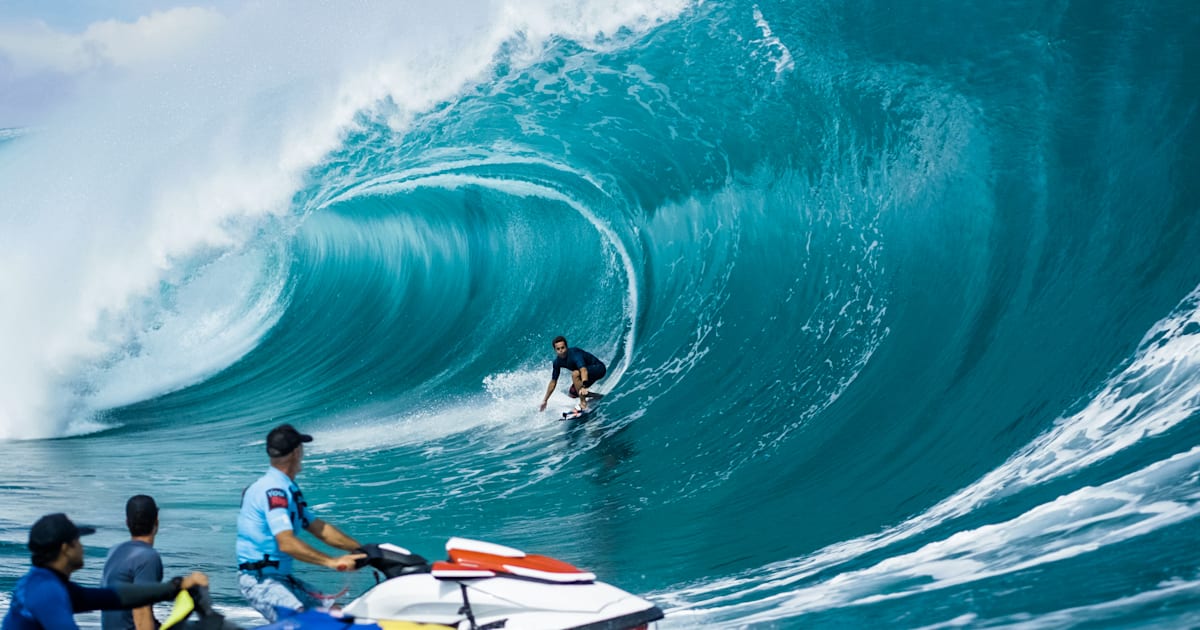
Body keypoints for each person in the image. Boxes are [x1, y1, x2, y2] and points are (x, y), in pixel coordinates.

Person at [236, 423, 366, 622]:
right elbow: (286, 543)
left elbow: (318, 528)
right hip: (262, 582)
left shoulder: (285, 487)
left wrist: (361, 549)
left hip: (282, 579)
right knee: (304, 624)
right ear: (296, 452)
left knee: (336, 616)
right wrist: (332, 562)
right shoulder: (274, 490)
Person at [2, 513, 207, 630]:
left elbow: (115, 596)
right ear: (65, 548)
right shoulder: (46, 590)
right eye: (78, 541)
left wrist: (174, 587)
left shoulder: (47, 583)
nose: (83, 547)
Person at [101, 495, 163, 630]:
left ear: (127, 522)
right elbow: (141, 615)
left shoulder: (114, 551)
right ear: (156, 522)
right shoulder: (148, 557)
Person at [539, 336, 607, 412]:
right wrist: (545, 400)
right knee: (573, 393)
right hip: (586, 375)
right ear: (555, 350)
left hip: (598, 369)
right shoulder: (557, 362)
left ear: (566, 347)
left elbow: (583, 370)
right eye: (558, 349)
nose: (561, 350)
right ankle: (597, 396)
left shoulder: (575, 354)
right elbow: (553, 382)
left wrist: (584, 386)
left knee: (575, 374)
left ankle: (583, 403)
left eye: (563, 347)